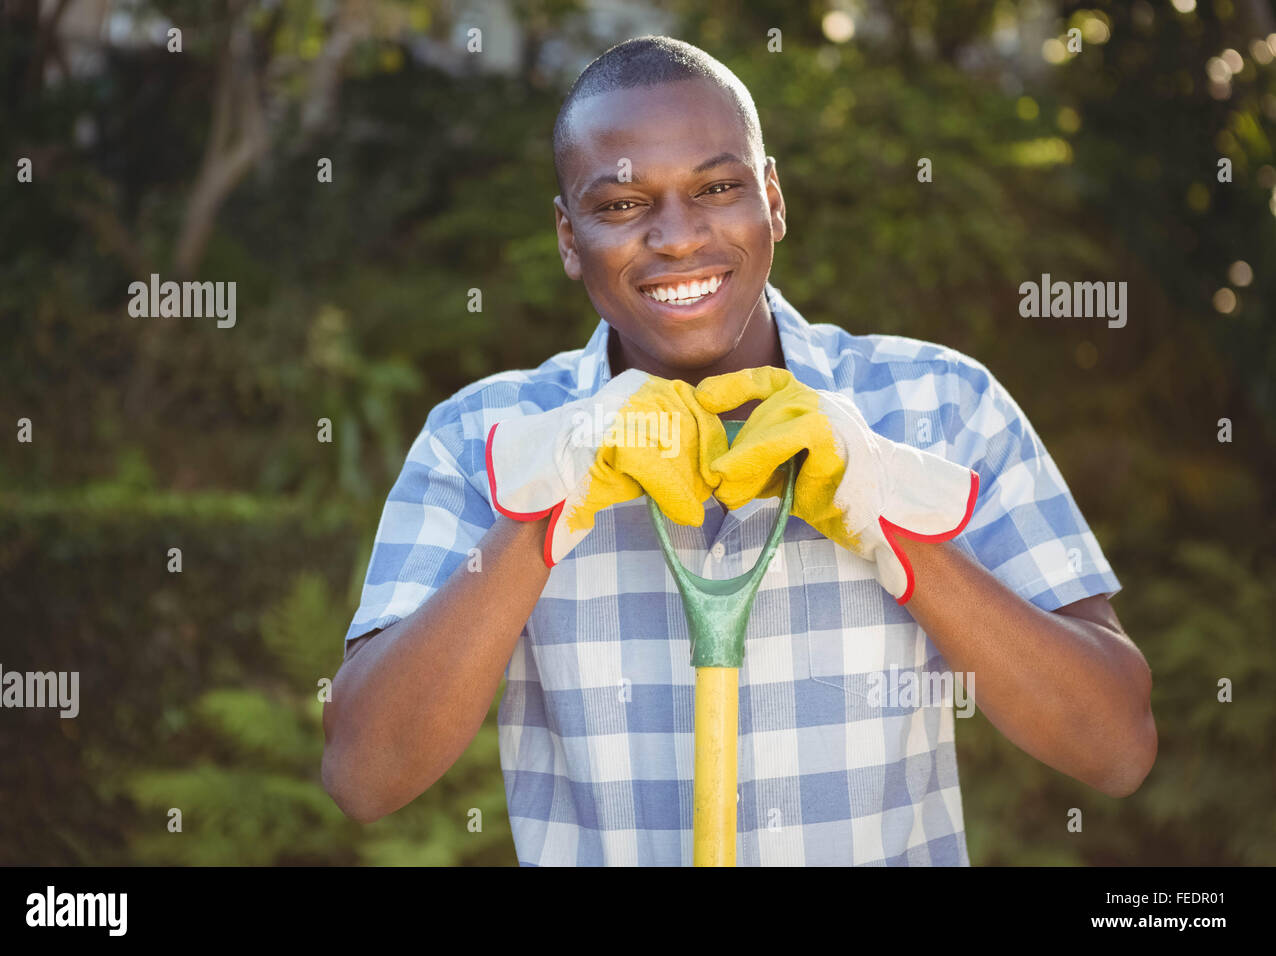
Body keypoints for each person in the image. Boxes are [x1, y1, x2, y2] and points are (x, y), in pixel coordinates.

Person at [321, 35, 1156, 866]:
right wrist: (540, 512)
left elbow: (1115, 746)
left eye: (718, 188)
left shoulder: (941, 403)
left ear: (773, 200)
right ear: (568, 237)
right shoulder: (481, 439)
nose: (678, 238)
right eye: (620, 205)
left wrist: (894, 525)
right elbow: (365, 774)